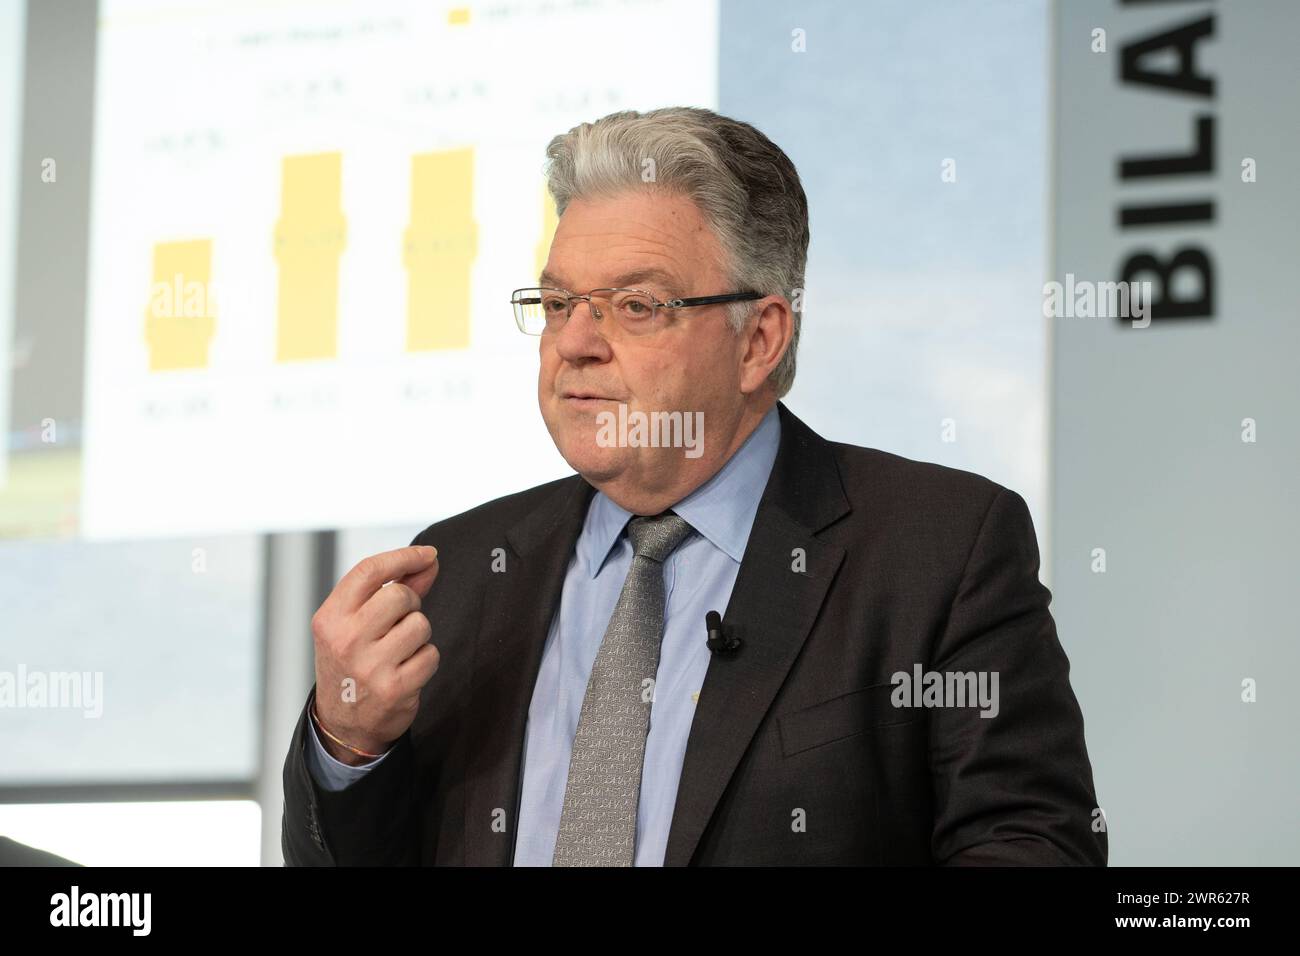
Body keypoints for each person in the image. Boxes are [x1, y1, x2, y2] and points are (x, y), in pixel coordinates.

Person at [281, 106, 1106, 866]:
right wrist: (349, 745)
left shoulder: (937, 550)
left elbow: (1032, 846)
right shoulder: (462, 567)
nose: (574, 343)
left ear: (759, 340)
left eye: (634, 306)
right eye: (559, 300)